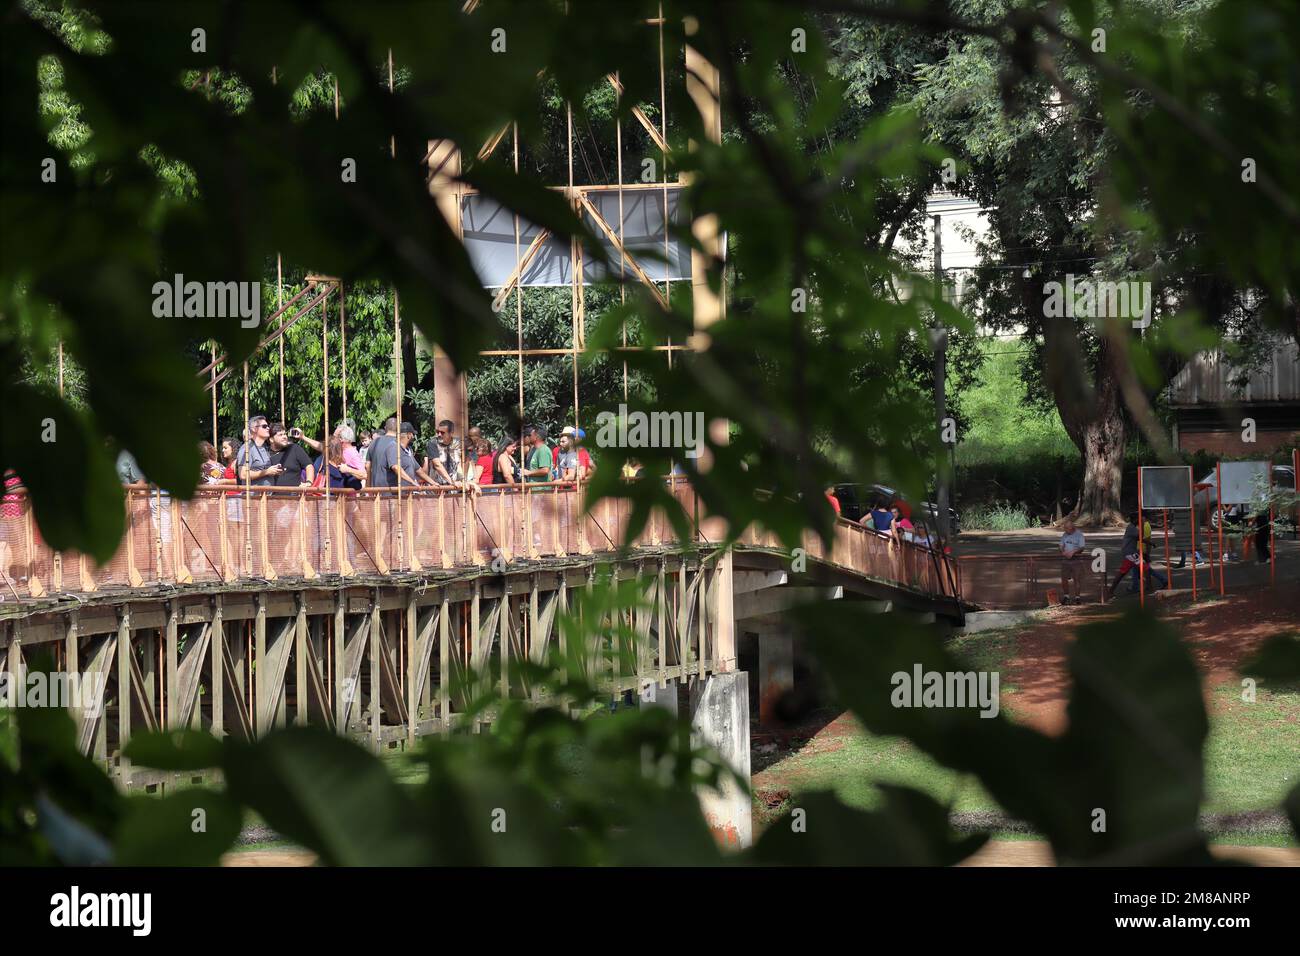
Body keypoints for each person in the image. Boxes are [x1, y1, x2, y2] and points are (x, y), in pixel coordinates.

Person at [1107, 511, 1167, 599]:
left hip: (1130, 553)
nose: (1141, 521)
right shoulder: (1132, 528)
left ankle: (1112, 591)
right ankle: (1154, 585)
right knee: (1145, 568)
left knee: (1123, 572)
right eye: (1139, 519)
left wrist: (1150, 543)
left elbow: (1140, 539)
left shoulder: (1133, 528)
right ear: (1136, 520)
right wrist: (1142, 524)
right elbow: (1140, 536)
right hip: (1130, 553)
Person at [378, 422, 429, 487]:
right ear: (409, 435)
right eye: (413, 434)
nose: (413, 437)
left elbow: (418, 470)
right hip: (393, 493)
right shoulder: (393, 447)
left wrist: (433, 483)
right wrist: (412, 482)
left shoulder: (409, 450)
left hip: (406, 492)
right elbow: (396, 467)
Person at [236, 416, 280, 485]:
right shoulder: (247, 448)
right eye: (264, 426)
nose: (268, 428)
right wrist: (266, 472)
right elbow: (243, 474)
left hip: (267, 495)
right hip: (253, 495)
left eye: (267, 426)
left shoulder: (264, 448)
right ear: (254, 429)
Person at [425, 419, 463, 486]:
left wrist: (464, 479)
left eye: (442, 432)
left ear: (451, 433)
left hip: (455, 487)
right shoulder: (433, 443)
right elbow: (437, 465)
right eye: (438, 432)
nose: (439, 435)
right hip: (437, 487)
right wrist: (451, 482)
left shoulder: (459, 443)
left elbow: (467, 460)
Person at [1058, 518, 1085, 605]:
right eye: (1065, 529)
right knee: (1064, 579)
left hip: (1076, 561)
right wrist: (1062, 551)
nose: (1065, 530)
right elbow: (1061, 544)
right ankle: (1066, 596)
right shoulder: (1065, 534)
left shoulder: (1079, 535)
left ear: (1072, 528)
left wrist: (1073, 552)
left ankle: (1077, 597)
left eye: (1067, 529)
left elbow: (1082, 547)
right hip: (1065, 560)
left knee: (1076, 579)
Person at [367, 418, 398, 487]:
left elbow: (367, 466)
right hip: (393, 490)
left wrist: (368, 487)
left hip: (375, 488)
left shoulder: (374, 442)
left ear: (385, 428)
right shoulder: (398, 444)